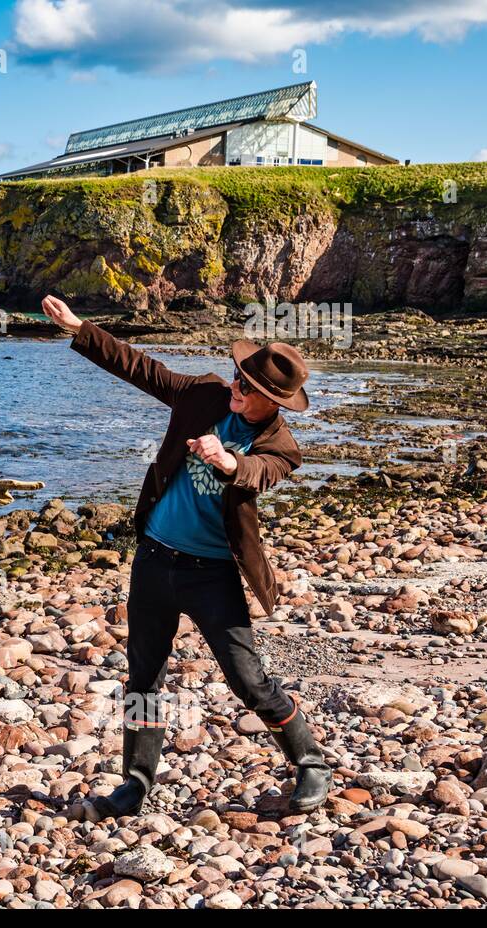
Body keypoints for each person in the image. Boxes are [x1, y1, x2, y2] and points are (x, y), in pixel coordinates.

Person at [42, 294, 331, 816]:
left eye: (248, 385)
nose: (236, 387)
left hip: (212, 573)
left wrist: (227, 460)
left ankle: (310, 761)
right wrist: (79, 327)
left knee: (246, 678)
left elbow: (259, 473)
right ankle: (134, 784)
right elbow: (143, 369)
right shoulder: (205, 397)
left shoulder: (281, 446)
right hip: (154, 558)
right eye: (238, 377)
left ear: (273, 400)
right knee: (143, 673)